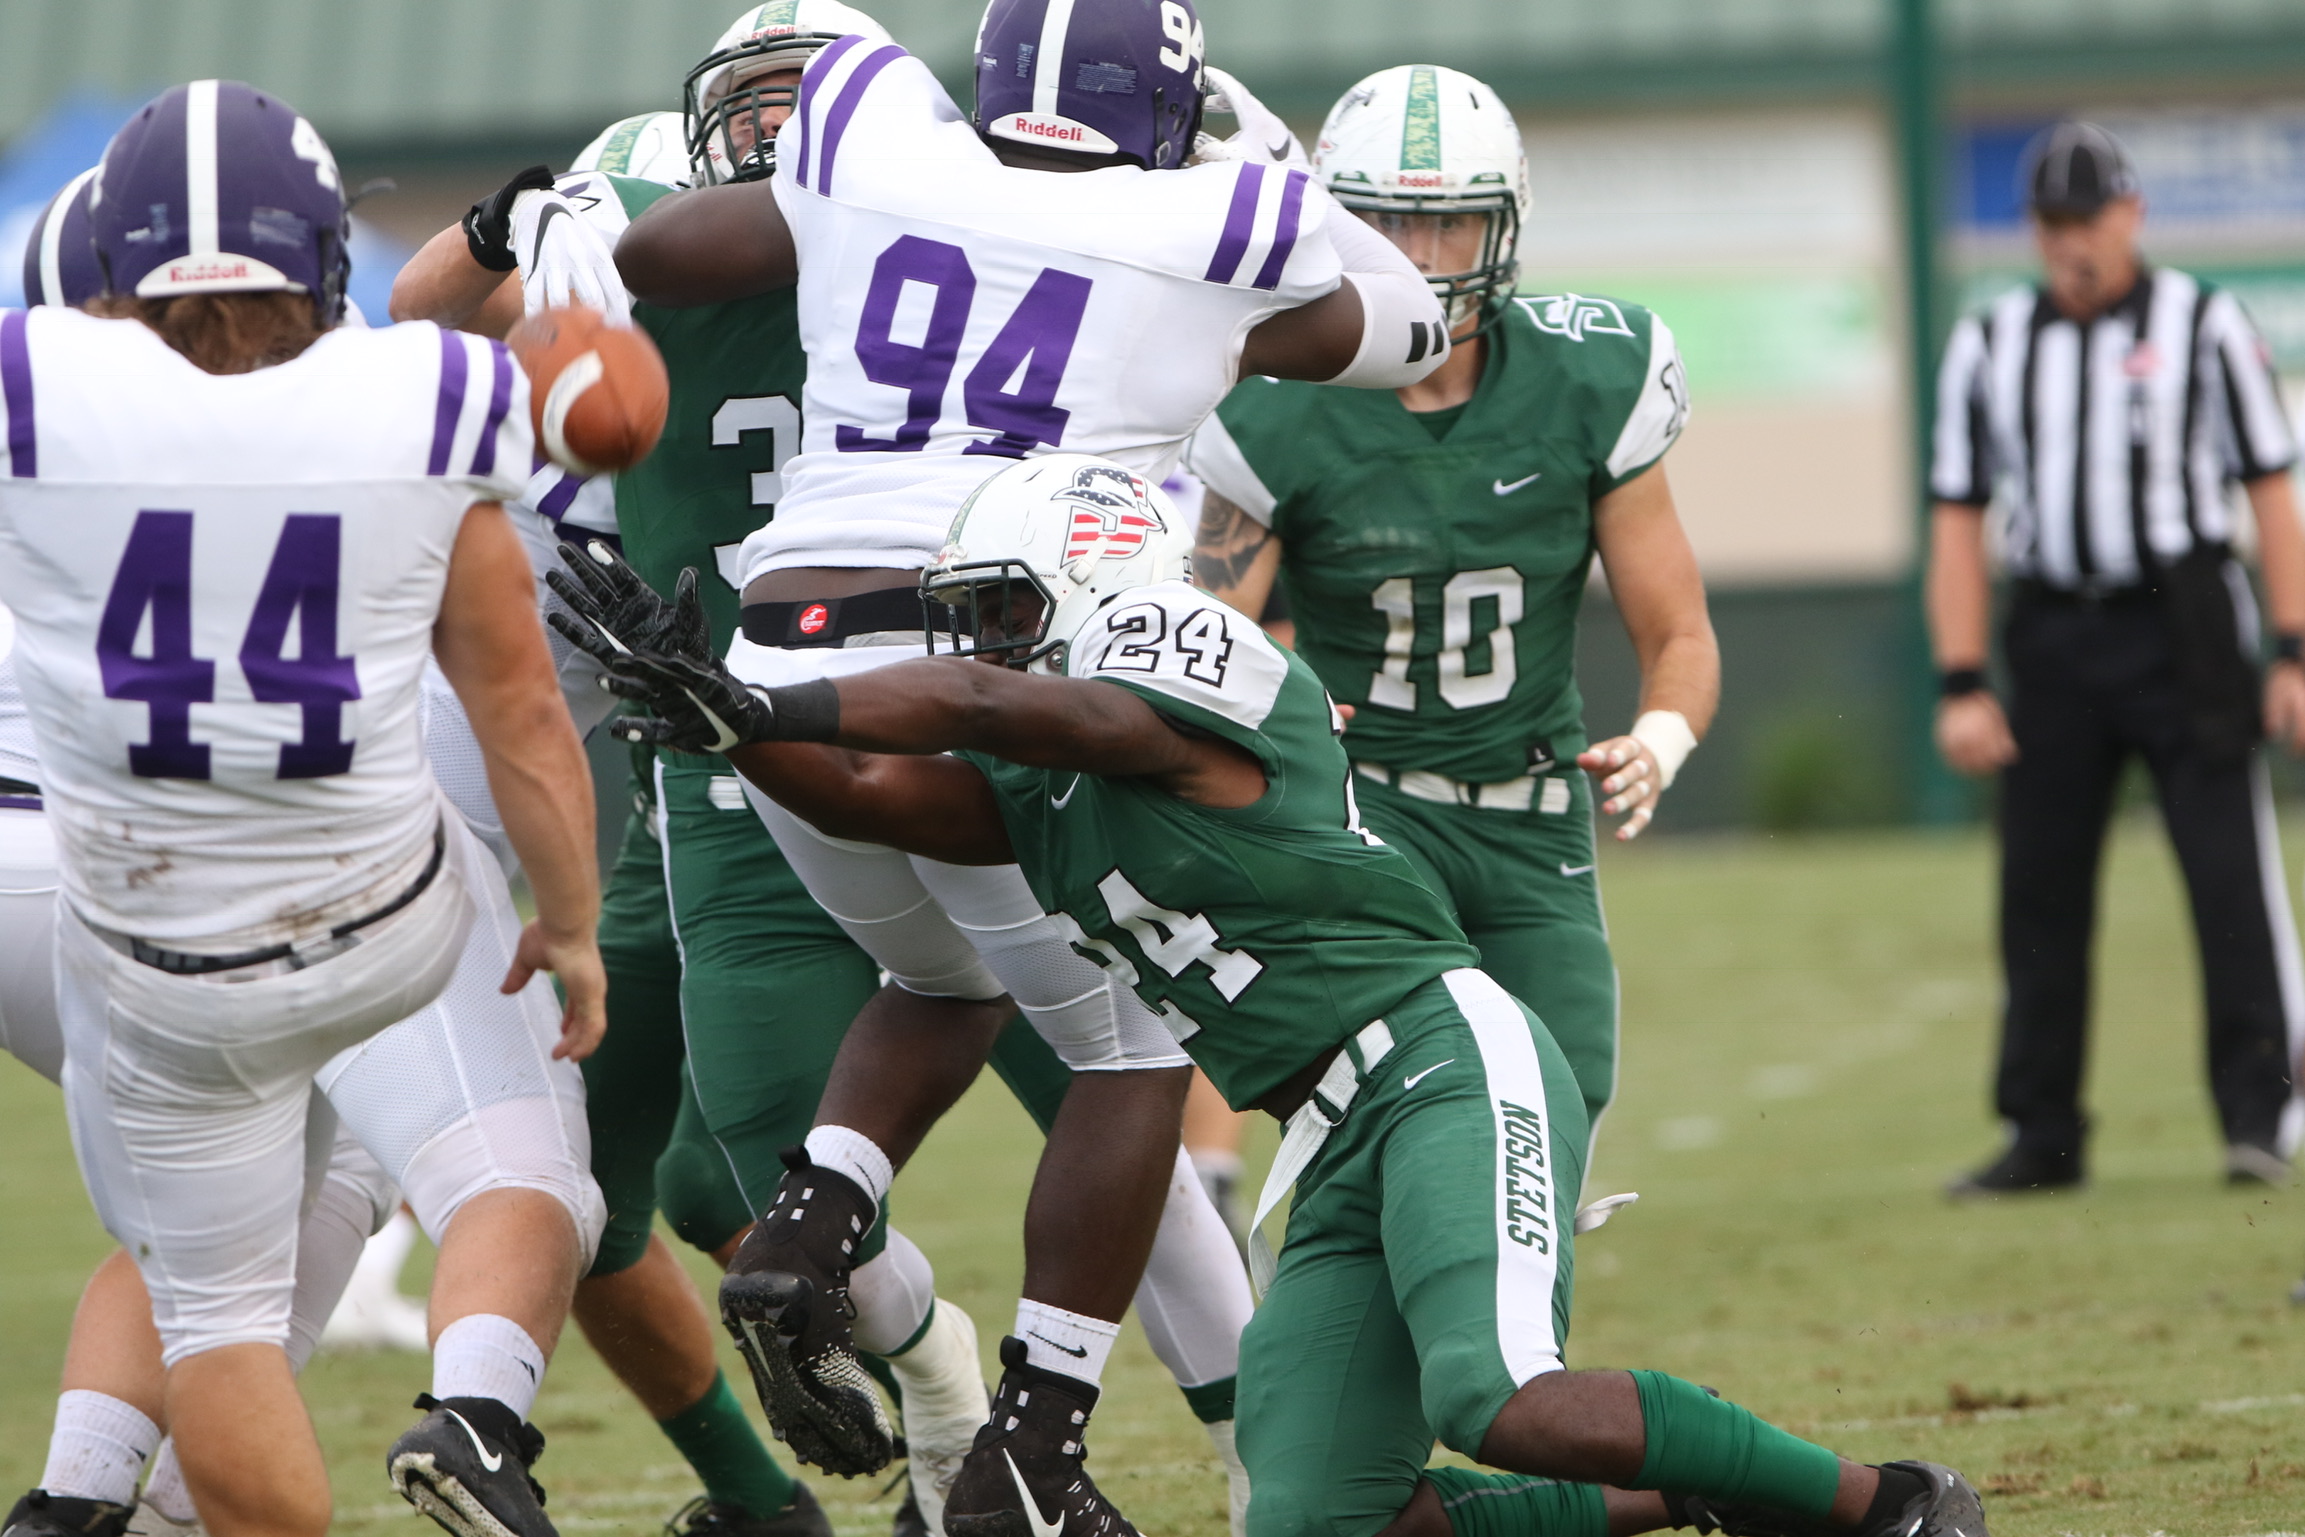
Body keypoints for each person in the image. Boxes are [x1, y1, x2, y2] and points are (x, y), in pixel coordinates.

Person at [551, 450, 1990, 1537]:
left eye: (995, 609)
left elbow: (1004, 706)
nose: (968, 641)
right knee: (1322, 1519)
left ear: (1095, 588)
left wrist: (773, 695)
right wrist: (721, 727)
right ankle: (1710, 1494)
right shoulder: (1038, 778)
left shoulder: (1199, 667)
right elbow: (874, 790)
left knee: (1503, 1401)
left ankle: (1887, 1504)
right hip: (1332, 1132)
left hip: (1438, 1061)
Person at [390, 9, 1262, 1530]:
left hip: (964, 713)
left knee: (1110, 1094)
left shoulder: (961, 222)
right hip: (743, 769)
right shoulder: (644, 217)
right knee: (747, 1179)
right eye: (759, 105)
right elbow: (431, 317)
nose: (783, 132)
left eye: (816, 102)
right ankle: (959, 1416)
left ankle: (1264, 1453)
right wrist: (516, 216)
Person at [607, 1, 1452, 1527]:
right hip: (1002, 639)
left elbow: (659, 251)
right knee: (1127, 1048)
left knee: (945, 979)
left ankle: (814, 1215)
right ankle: (1037, 1438)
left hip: (789, 628)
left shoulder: (872, 133)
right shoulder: (1212, 209)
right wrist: (1246, 135)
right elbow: (1408, 326)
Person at [0, 80, 603, 1537]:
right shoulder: (421, 392)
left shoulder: (36, 386)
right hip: (372, 916)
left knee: (219, 1309)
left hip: (145, 950)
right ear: (318, 250)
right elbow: (517, 698)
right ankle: (473, 1415)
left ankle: (84, 1504)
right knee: (511, 1167)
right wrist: (572, 920)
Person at [1186, 65, 1715, 1136]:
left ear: (1503, 226)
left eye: (1453, 227)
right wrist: (1258, 708)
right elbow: (1198, 635)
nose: (1422, 262)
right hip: (1364, 807)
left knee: (1566, 1092)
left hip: (1531, 810)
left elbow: (1680, 631)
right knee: (1390, 1106)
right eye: (1389, 227)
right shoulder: (1272, 403)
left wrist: (1659, 739)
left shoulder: (1588, 377)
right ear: (1340, 228)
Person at [1928, 120, 2305, 1195]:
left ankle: (2257, 1114)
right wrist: (1958, 678)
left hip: (2181, 620)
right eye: (2050, 225)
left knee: (2227, 876)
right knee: (2038, 888)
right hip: (2051, 625)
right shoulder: (1990, 342)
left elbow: (2270, 493)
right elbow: (1956, 515)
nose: (2068, 246)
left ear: (2130, 216)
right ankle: (2040, 1133)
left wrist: (2291, 648)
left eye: (2085, 221)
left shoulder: (2205, 323)